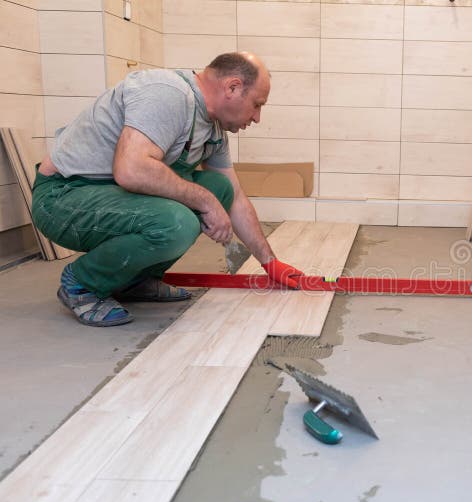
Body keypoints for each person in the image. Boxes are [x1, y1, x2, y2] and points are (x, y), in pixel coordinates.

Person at [32, 51, 304, 327]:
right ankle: (82, 283)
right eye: (257, 105)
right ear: (232, 87)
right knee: (176, 222)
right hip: (64, 198)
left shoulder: (213, 129)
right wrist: (206, 202)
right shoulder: (167, 94)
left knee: (220, 188)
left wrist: (269, 263)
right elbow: (131, 169)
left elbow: (234, 197)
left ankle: (133, 280)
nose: (257, 117)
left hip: (110, 195)